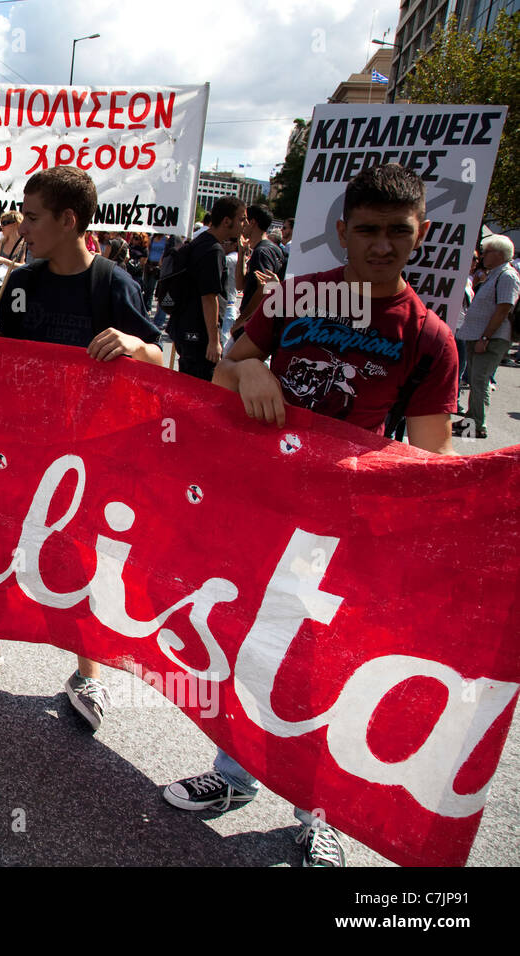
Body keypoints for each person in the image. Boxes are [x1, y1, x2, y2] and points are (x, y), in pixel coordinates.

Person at [165, 163, 457, 867]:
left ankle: (318, 813)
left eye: (398, 231)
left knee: (317, 668)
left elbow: (429, 460)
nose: (382, 246)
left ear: (419, 235)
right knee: (243, 645)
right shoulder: (294, 296)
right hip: (259, 509)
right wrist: (251, 369)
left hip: (343, 530)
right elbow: (225, 369)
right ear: (341, 231)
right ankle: (234, 777)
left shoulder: (429, 337)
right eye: (368, 230)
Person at [0, 165, 162, 732]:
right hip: (18, 442)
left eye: (33, 216)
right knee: (1, 537)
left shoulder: (113, 283)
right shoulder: (19, 283)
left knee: (75, 556)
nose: (22, 225)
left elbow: (163, 365)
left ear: (69, 221)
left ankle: (88, 672)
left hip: (83, 452)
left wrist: (137, 343)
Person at [169, 196, 246, 381]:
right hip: (198, 336)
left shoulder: (202, 242)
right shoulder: (212, 250)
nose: (244, 224)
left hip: (187, 330)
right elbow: (209, 297)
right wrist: (213, 341)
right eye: (241, 219)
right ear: (226, 221)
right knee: (199, 389)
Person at [454, 235, 517, 440]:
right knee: (475, 379)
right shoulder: (494, 274)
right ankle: (472, 419)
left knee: (479, 380)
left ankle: (477, 425)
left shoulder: (507, 276)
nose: (483, 256)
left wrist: (485, 338)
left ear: (499, 254)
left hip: (490, 338)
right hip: (480, 336)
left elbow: (503, 309)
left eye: (487, 252)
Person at [233, 203, 286, 333]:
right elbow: (241, 285)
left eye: (244, 219)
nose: (242, 224)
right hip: (257, 322)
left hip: (253, 325)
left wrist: (241, 320)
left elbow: (264, 289)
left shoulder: (262, 252)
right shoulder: (272, 249)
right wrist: (241, 253)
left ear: (252, 222)